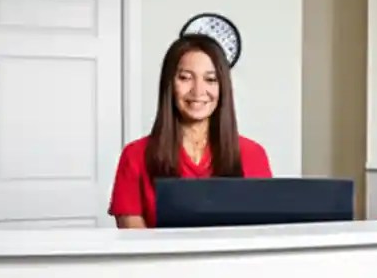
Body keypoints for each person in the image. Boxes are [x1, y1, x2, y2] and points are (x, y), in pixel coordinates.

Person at [109, 34, 272, 228]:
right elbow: (135, 243)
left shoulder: (253, 155)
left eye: (210, 79)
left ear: (223, 88)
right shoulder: (134, 155)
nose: (198, 91)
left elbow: (260, 235)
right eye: (185, 78)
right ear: (169, 85)